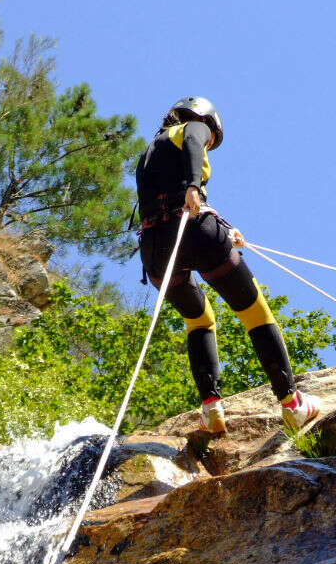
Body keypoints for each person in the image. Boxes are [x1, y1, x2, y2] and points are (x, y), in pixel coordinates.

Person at [135, 96, 321, 434]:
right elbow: (192, 146)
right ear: (203, 118)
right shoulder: (191, 128)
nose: (206, 139)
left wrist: (223, 224)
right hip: (193, 230)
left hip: (155, 252)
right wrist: (194, 185)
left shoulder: (147, 155)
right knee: (254, 310)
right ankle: (292, 404)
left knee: (199, 319)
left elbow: (166, 199)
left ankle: (211, 407)